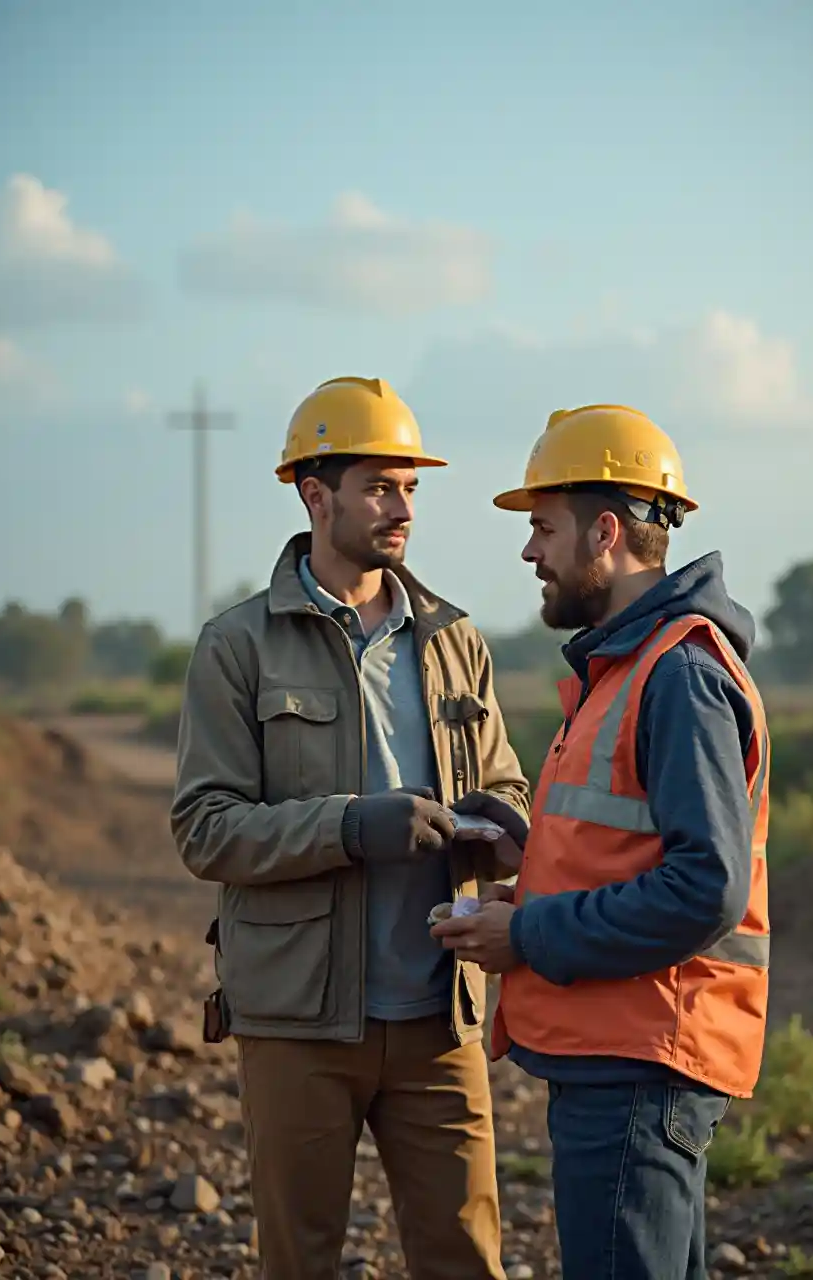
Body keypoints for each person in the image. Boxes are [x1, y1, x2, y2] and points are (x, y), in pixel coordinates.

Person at [170, 375, 529, 1280]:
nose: (401, 508)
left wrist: (505, 828)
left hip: (439, 1016)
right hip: (298, 1021)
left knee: (467, 1261)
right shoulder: (239, 646)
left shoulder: (455, 640)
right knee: (301, 1262)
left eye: (409, 487)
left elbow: (506, 782)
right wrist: (352, 827)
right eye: (378, 487)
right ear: (314, 495)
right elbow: (207, 829)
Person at [432, 404, 770, 1280]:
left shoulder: (677, 675)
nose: (529, 551)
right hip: (626, 1056)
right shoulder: (629, 667)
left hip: (639, 1061)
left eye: (545, 528)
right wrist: (525, 877)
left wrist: (526, 934)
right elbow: (627, 851)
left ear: (606, 533)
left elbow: (705, 889)